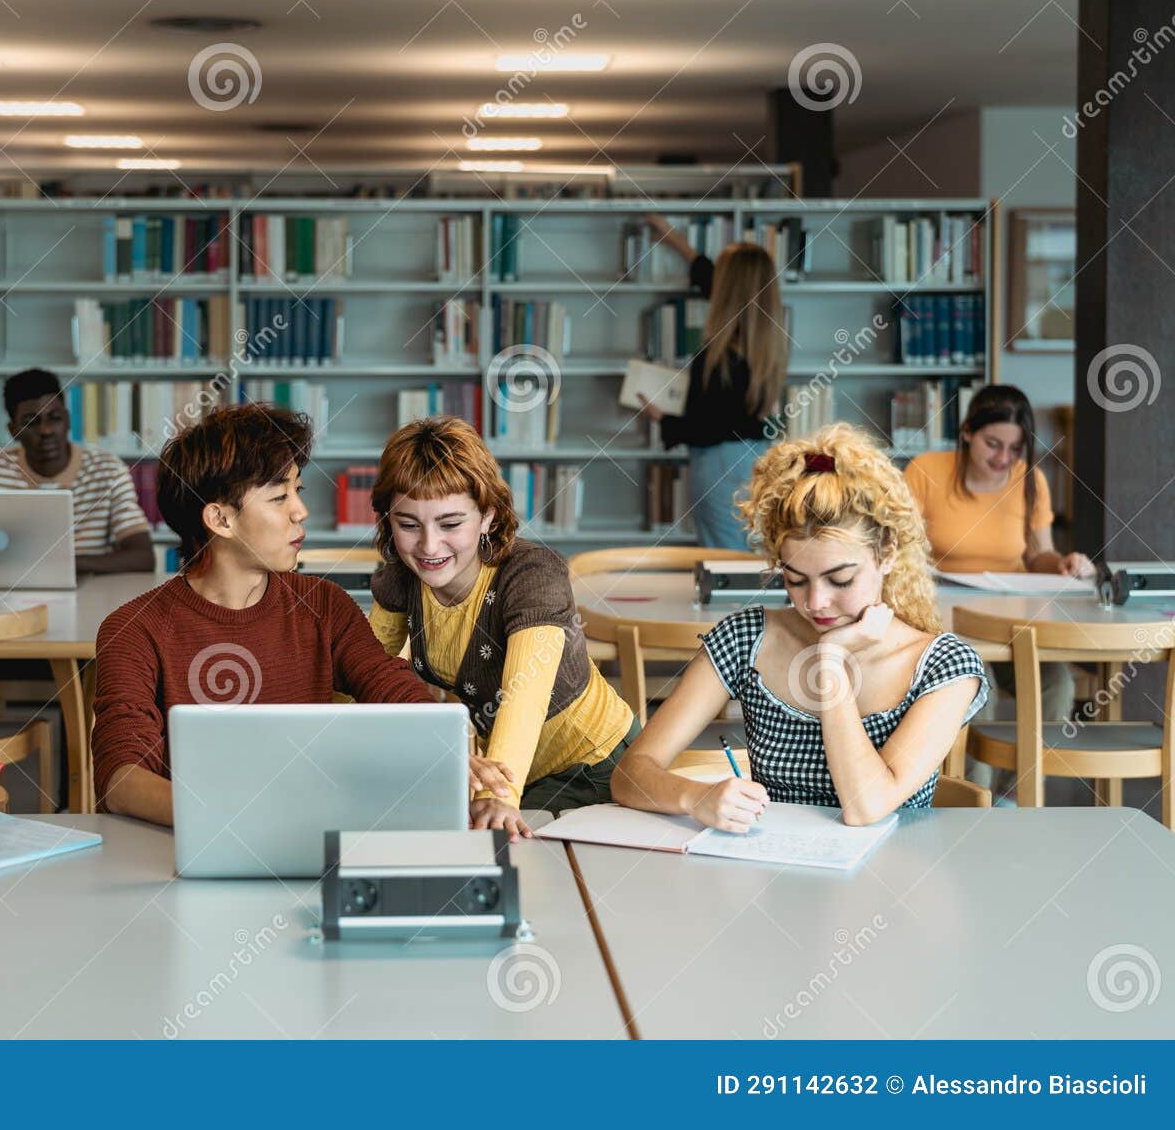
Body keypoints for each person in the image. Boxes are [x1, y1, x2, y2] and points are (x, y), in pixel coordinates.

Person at [611, 423, 989, 829]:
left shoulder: (945, 667)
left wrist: (831, 661)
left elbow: (865, 807)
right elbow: (629, 776)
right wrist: (695, 796)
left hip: (893, 868)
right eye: (795, 579)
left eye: (840, 580)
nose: (815, 602)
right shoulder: (745, 639)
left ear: (888, 554)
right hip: (770, 863)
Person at [92, 403, 434, 827]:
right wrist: (236, 819)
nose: (300, 511)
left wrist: (443, 747)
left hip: (307, 837)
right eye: (278, 497)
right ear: (220, 519)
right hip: (188, 847)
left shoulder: (325, 605)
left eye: (297, 490)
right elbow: (121, 779)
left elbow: (387, 684)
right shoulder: (133, 629)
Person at [367, 418, 639, 839]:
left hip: (597, 767)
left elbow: (523, 695)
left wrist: (500, 796)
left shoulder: (532, 574)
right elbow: (364, 677)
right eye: (408, 524)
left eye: (450, 524)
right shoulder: (399, 579)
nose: (429, 546)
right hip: (508, 771)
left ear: (487, 517)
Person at [904, 384, 1088, 725]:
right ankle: (974, 764)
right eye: (993, 444)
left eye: (1015, 448)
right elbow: (900, 551)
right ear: (967, 432)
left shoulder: (1030, 479)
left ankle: (1031, 764)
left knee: (1058, 685)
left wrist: (1062, 564)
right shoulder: (925, 470)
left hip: (1010, 621)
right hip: (943, 622)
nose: (1003, 458)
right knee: (978, 687)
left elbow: (1039, 557)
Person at [639, 216, 789, 551]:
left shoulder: (721, 358)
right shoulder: (764, 340)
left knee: (726, 561)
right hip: (755, 457)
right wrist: (676, 242)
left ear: (727, 288)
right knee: (748, 556)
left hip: (719, 465)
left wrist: (661, 418)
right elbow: (710, 280)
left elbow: (708, 428)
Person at [0, 368, 154, 576]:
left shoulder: (109, 470)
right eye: (31, 422)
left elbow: (143, 557)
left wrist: (54, 564)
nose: (46, 431)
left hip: (87, 591)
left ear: (68, 420)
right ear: (13, 430)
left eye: (54, 418)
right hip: (5, 590)